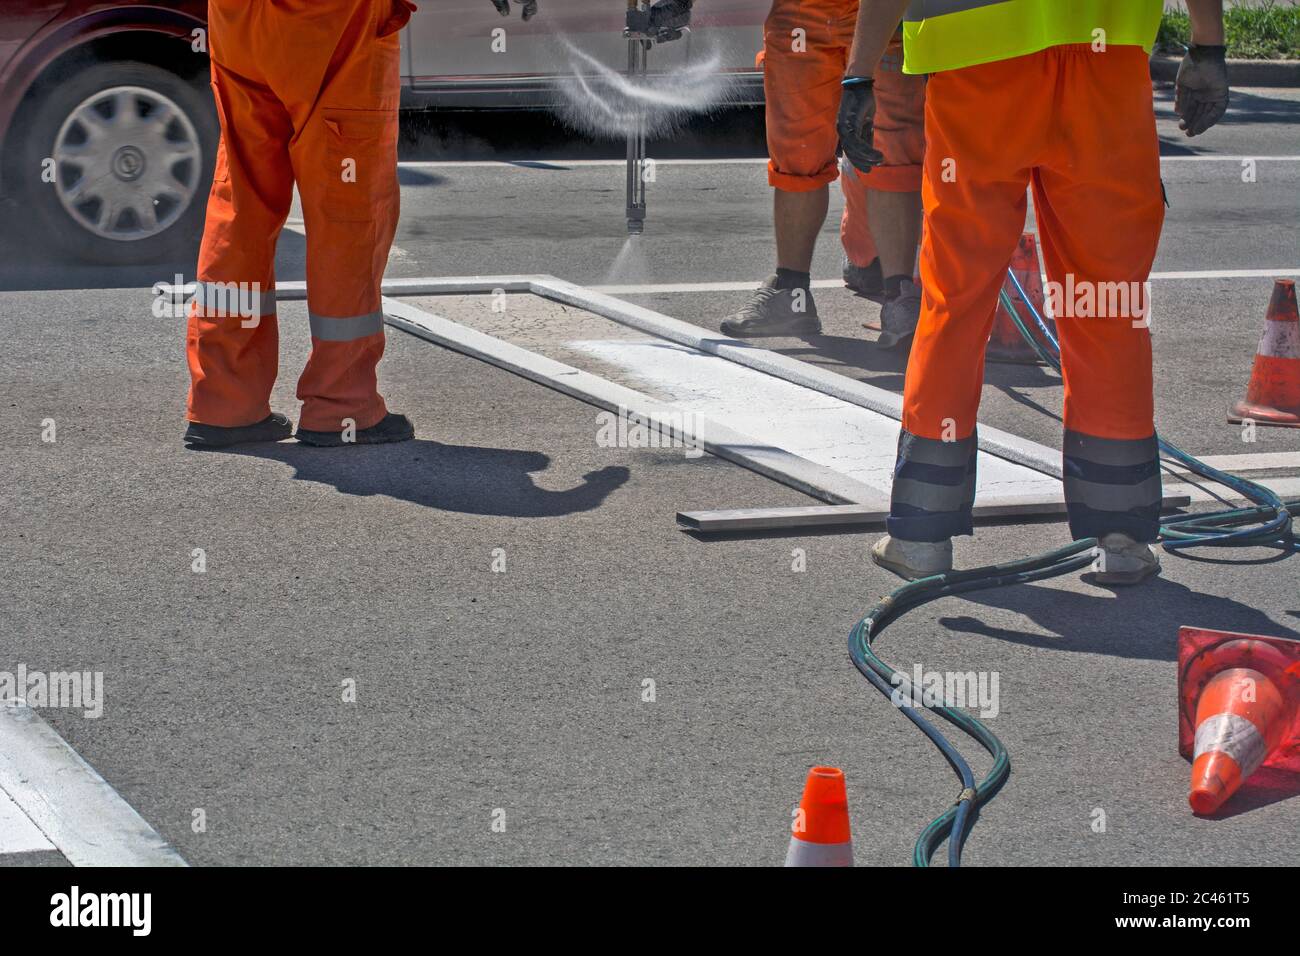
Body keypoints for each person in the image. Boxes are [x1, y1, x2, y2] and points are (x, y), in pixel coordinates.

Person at [837, 0, 1229, 584]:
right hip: (1105, 67)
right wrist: (1208, 45)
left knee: (958, 298)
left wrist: (859, 74)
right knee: (1107, 300)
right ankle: (1119, 536)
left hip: (980, 69)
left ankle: (922, 534)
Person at [185, 0, 490, 449]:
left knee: (242, 202)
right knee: (347, 212)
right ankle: (341, 404)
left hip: (239, 19)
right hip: (333, 22)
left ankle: (224, 402)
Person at [718, 0, 926, 342]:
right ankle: (791, 290)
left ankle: (900, 297)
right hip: (804, 14)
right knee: (797, 156)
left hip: (881, 12)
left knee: (891, 155)